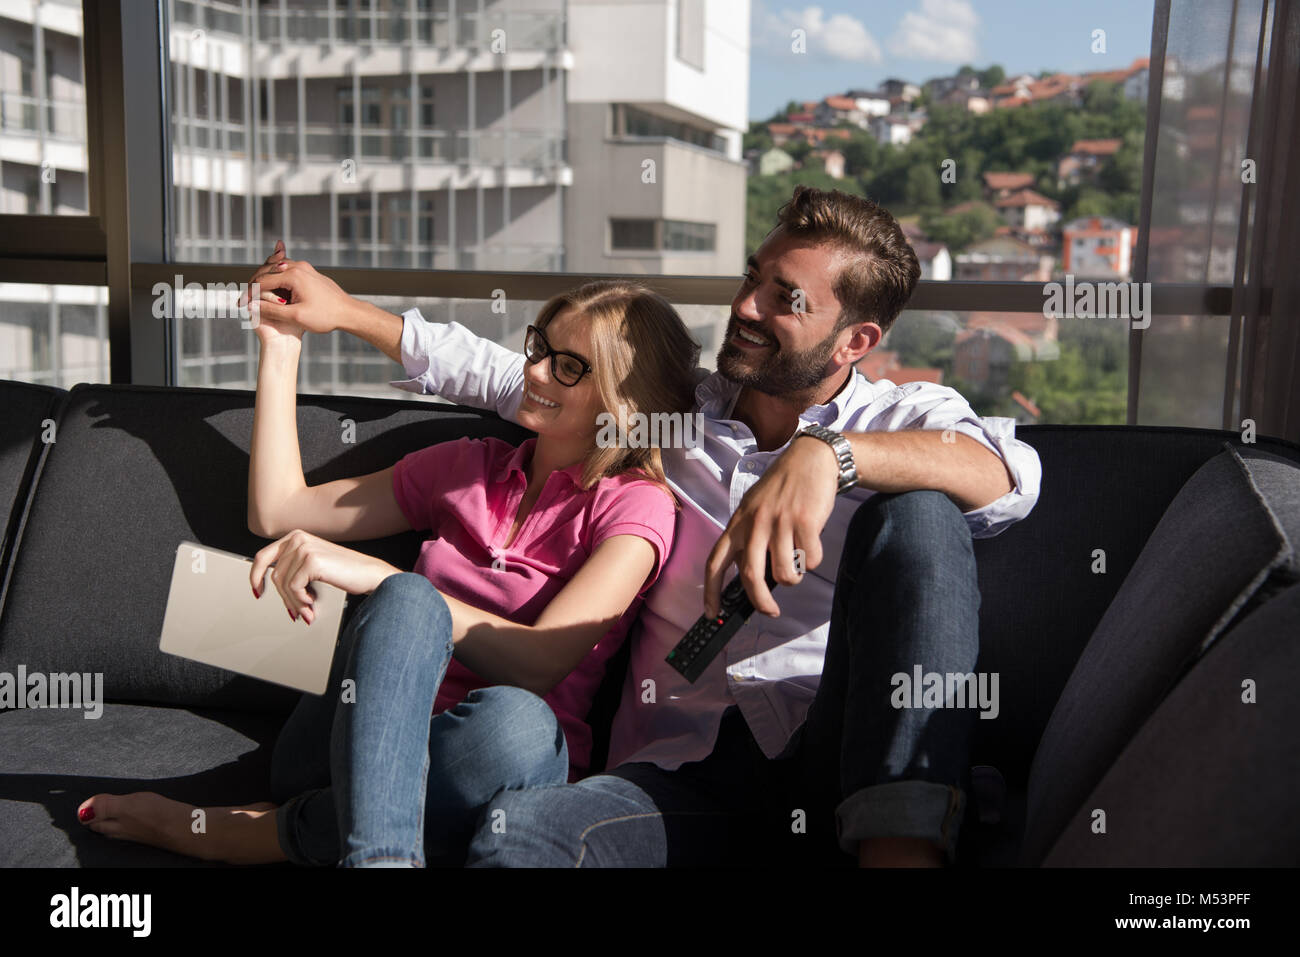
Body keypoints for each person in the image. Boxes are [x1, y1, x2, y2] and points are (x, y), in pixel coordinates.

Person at [173, 185, 1041, 867]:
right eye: (751, 277)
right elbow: (509, 372)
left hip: (827, 750)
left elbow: (1010, 473)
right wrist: (340, 313)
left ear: (856, 339)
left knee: (924, 514)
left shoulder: (902, 415)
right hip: (673, 774)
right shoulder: (669, 415)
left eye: (786, 299)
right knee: (522, 831)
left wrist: (830, 458)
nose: (746, 306)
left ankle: (901, 848)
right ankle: (331, 834)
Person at [74, 272, 699, 867]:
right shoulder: (467, 467)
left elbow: (541, 661)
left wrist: (385, 581)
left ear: (622, 399)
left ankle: (285, 835)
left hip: (483, 769)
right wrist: (280, 347)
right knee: (406, 605)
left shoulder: (636, 506)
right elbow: (278, 511)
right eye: (540, 347)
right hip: (342, 746)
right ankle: (356, 843)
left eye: (568, 367)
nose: (533, 371)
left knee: (519, 719)